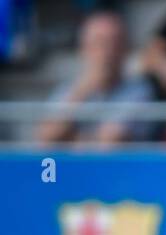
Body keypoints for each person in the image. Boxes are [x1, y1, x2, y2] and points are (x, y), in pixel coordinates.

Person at [37, 10, 157, 145]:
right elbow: (46, 138)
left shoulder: (139, 91)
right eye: (99, 42)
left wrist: (70, 140)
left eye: (115, 43)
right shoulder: (68, 90)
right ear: (83, 48)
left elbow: (112, 141)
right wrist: (81, 92)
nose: (107, 51)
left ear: (126, 49)